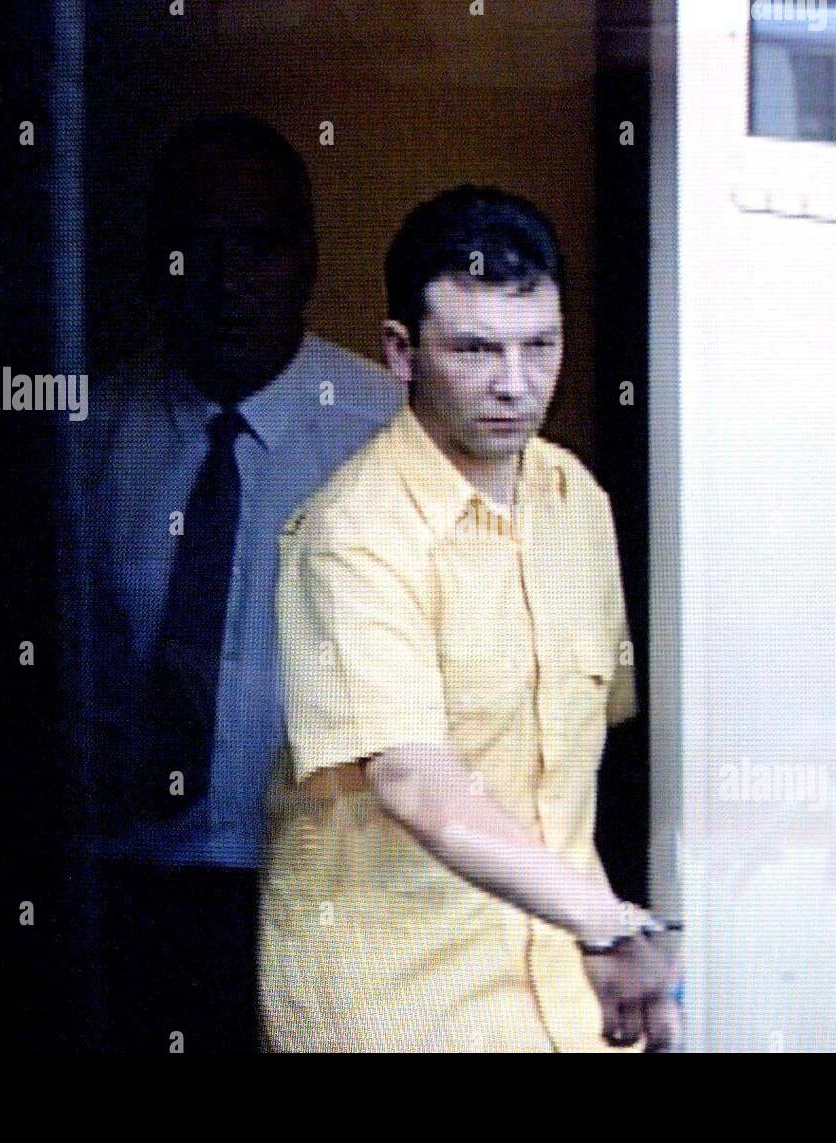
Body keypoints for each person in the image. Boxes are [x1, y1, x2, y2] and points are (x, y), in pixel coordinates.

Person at [259, 184, 680, 1052]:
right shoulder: (352, 533)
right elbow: (415, 778)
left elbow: (558, 787)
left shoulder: (578, 504)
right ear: (402, 353)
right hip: (399, 1006)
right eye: (477, 349)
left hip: (561, 1000)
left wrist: (611, 955)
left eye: (541, 345)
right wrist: (603, 920)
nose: (516, 384)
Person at [76, 114, 401, 1052]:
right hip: (126, 897)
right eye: (196, 249)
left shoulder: (385, 440)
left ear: (306, 260)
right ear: (154, 258)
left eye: (257, 247)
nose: (224, 282)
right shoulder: (86, 439)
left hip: (321, 901)